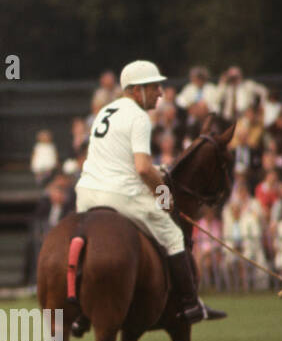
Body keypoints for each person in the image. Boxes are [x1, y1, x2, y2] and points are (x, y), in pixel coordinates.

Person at [75, 59, 224, 323]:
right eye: (154, 87)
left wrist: (159, 168)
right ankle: (191, 305)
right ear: (135, 91)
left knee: (81, 242)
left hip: (86, 193)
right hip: (120, 195)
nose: (160, 93)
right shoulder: (139, 117)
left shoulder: (105, 111)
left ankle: (79, 311)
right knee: (173, 235)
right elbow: (143, 169)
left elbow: (121, 160)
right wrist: (165, 195)